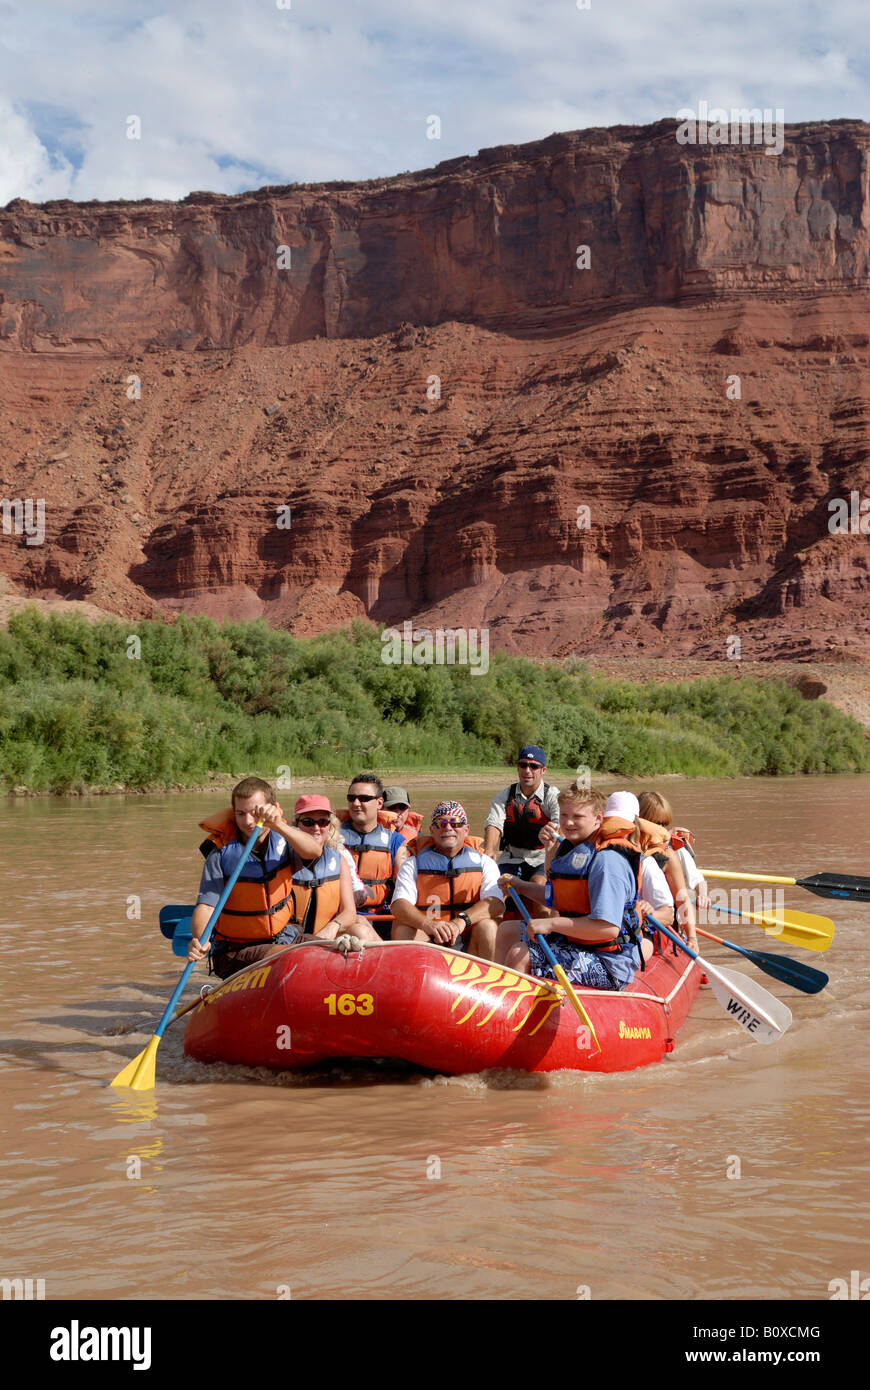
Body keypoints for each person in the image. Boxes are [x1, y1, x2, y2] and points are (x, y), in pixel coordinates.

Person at [495, 788, 654, 991]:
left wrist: (552, 923)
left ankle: (509, 1013)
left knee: (520, 953)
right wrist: (520, 886)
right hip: (576, 942)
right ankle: (495, 996)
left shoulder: (607, 862)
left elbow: (607, 928)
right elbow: (560, 898)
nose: (568, 823)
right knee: (506, 931)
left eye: (577, 816)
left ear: (598, 818)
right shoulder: (573, 848)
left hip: (609, 962)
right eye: (564, 815)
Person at [188, 777, 323, 980]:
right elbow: (206, 906)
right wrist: (200, 940)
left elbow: (314, 851)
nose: (248, 821)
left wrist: (278, 825)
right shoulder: (220, 853)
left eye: (255, 813)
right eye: (240, 814)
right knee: (293, 957)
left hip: (285, 936)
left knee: (331, 951)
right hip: (236, 951)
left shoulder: (286, 840)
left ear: (274, 808)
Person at [391, 800, 504, 958]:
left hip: (470, 942)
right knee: (402, 928)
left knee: (488, 926)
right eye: (440, 823)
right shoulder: (413, 864)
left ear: (466, 829)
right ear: (431, 830)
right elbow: (399, 905)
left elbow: (496, 904)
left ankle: (488, 979)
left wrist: (460, 922)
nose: (448, 828)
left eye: (456, 823)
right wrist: (429, 924)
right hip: (428, 940)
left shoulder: (485, 862)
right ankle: (413, 979)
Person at [288, 795, 379, 943]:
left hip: (326, 936)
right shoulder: (282, 857)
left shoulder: (339, 859)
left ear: (330, 826)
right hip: (291, 938)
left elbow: (349, 912)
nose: (316, 828)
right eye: (308, 822)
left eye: (323, 822)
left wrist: (332, 927)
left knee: (361, 930)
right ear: (296, 824)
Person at [483, 746, 560, 916]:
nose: (527, 770)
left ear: (543, 770)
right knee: (496, 888)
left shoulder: (552, 796)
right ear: (517, 768)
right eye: (523, 765)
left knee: (539, 883)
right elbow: (494, 824)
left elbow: (559, 824)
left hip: (541, 857)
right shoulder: (503, 796)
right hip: (512, 856)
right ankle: (496, 932)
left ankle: (543, 935)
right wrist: (489, 850)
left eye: (533, 766)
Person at [338, 772, 410, 938]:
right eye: (351, 798)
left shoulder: (395, 842)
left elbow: (405, 883)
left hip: (382, 916)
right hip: (342, 915)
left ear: (379, 803)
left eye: (363, 798)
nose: (356, 803)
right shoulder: (332, 836)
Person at [638, 791, 708, 936]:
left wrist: (703, 895)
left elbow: (692, 886)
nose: (662, 829)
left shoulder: (673, 851)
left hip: (667, 922)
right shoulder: (625, 848)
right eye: (657, 824)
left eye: (665, 824)